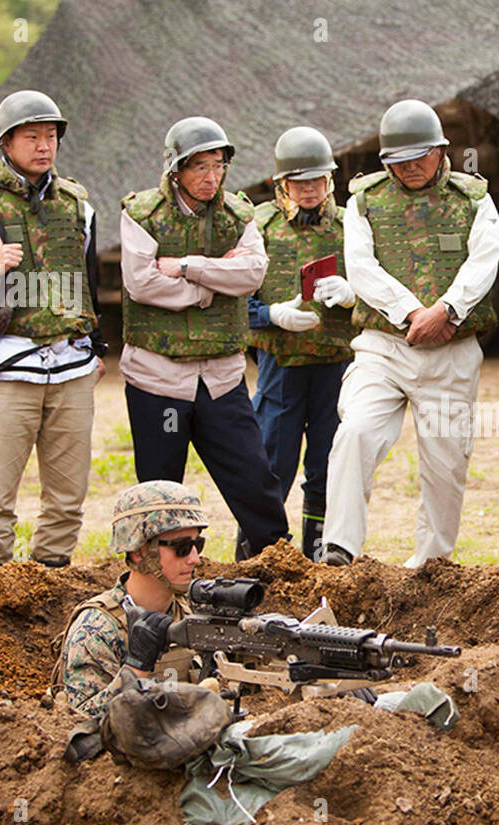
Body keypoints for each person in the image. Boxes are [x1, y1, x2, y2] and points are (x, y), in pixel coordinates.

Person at [0, 90, 107, 568]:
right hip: (7, 368)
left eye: (51, 136)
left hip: (71, 368)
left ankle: (49, 582)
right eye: (32, 136)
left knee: (68, 498)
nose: (44, 146)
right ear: (6, 141)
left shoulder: (78, 206)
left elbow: (89, 283)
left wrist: (95, 347)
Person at [321, 100, 499, 567]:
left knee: (446, 468)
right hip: (383, 349)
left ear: (442, 151)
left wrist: (447, 309)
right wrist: (411, 315)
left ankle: (431, 566)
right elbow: (361, 267)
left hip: (452, 352)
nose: (412, 167)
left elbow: (484, 262)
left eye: (421, 156)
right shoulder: (365, 202)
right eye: (400, 161)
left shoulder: (474, 200)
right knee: (356, 431)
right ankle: (339, 548)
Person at [119, 116, 288, 560]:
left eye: (218, 166)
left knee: (255, 479)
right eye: (199, 167)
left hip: (220, 378)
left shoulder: (238, 214)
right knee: (161, 492)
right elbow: (142, 284)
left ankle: (277, 569)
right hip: (158, 379)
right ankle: (155, 584)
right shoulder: (141, 214)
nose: (211, 177)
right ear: (176, 169)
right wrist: (217, 281)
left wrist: (190, 267)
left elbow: (252, 273)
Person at [247, 126, 357, 560]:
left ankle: (318, 554)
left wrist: (352, 294)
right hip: (280, 366)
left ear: (329, 181)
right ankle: (259, 552)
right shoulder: (260, 228)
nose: (309, 189)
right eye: (299, 181)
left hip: (336, 363)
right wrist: (270, 315)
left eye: (316, 180)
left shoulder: (352, 226)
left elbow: (381, 290)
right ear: (282, 185)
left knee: (328, 465)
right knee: (270, 463)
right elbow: (234, 302)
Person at [54, 480, 207, 718]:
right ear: (139, 551)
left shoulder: (192, 614)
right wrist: (136, 668)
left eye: (198, 544)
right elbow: (76, 724)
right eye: (182, 547)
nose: (195, 559)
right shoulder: (97, 627)